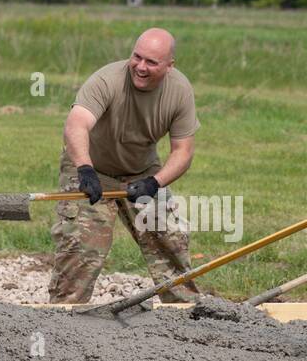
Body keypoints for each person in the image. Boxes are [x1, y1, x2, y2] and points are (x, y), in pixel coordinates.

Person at [48, 28, 201, 304]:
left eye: (151, 62)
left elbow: (183, 151)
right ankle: (64, 316)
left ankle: (183, 313)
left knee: (169, 240)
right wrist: (85, 169)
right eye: (137, 57)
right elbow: (76, 125)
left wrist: (155, 183)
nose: (140, 67)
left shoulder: (179, 91)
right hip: (92, 167)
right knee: (81, 249)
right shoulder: (107, 80)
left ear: (169, 66)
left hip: (143, 172)